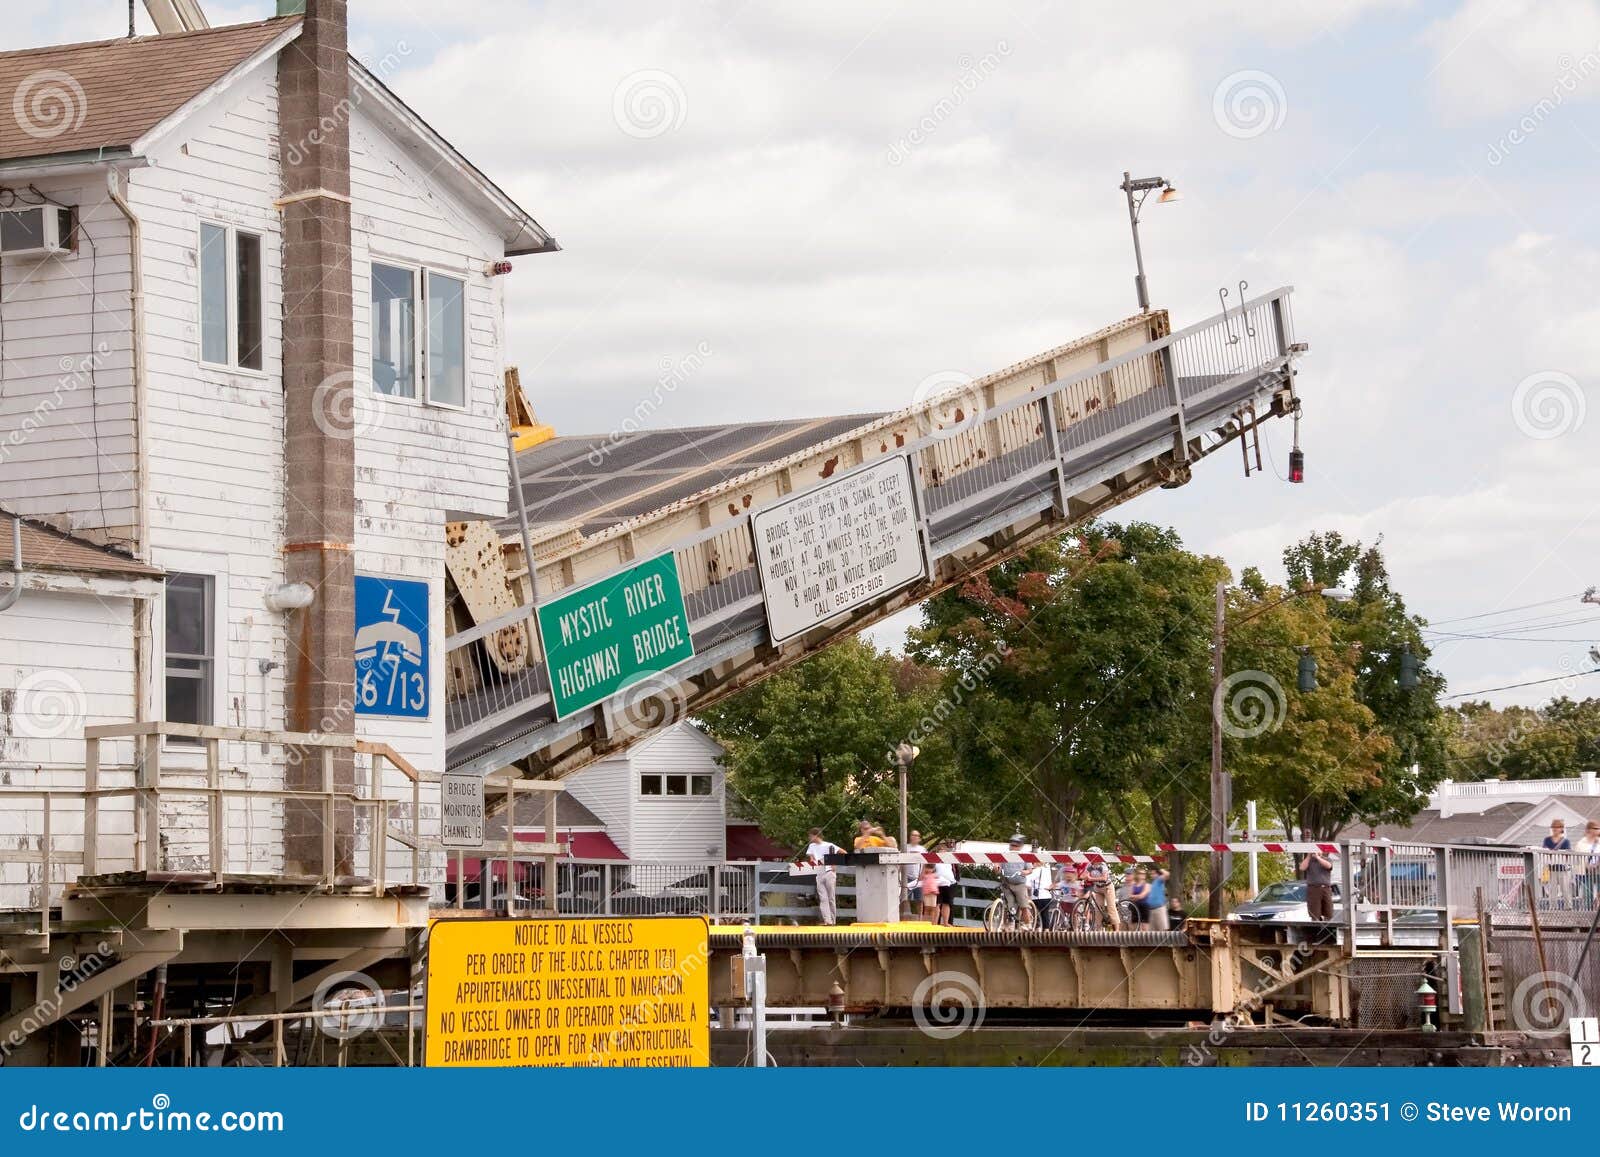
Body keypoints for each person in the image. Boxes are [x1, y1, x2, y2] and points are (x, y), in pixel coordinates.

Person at [804, 827, 844, 926]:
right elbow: (811, 858)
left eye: (810, 836)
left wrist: (835, 863)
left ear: (815, 835)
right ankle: (827, 921)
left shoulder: (829, 845)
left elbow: (843, 852)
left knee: (831, 897)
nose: (810, 838)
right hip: (819, 873)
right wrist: (812, 863)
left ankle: (833, 920)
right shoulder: (812, 846)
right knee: (823, 898)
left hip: (829, 872)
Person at [998, 833, 1036, 928]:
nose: (1013, 847)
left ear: (1020, 847)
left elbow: (1030, 869)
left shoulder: (1024, 856)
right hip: (1007, 883)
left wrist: (1024, 872)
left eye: (1015, 845)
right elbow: (997, 864)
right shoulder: (1004, 855)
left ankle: (1028, 925)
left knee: (1023, 905)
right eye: (1012, 845)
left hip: (1019, 884)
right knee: (1008, 906)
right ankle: (1006, 925)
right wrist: (996, 867)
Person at [1082, 850, 1122, 931]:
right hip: (1098, 888)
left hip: (1107, 887)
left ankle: (1117, 931)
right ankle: (1098, 930)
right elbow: (1084, 875)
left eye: (1093, 856)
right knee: (1098, 909)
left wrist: (1090, 878)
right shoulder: (1090, 865)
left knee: (1111, 908)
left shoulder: (1102, 865)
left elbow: (1104, 878)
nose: (1092, 858)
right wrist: (1082, 877)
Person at [1542, 819, 1573, 909]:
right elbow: (1544, 851)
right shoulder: (1547, 840)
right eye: (1553, 826)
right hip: (1552, 869)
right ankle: (1553, 908)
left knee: (1566, 890)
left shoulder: (1566, 841)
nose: (1555, 828)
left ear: (1561, 828)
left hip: (1563, 869)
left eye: (1557, 827)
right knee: (1552, 891)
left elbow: (1567, 854)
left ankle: (1568, 908)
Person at [1299, 847, 1334, 922]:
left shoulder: (1327, 859)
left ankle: (1328, 927)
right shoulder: (1309, 861)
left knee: (1328, 912)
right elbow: (1302, 868)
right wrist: (1308, 856)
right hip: (1313, 889)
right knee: (1315, 914)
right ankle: (1316, 928)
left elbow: (1328, 866)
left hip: (1325, 888)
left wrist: (1318, 857)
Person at [1576, 820, 1600, 909]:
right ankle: (1588, 910)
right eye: (1596, 828)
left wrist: (1597, 864)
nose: (1599, 830)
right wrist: (1587, 866)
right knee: (1588, 893)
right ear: (1589, 830)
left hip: (1598, 870)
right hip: (1586, 872)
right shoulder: (1581, 843)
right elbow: (1578, 857)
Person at [903, 829, 927, 917]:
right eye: (912, 835)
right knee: (905, 898)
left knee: (919, 899)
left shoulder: (922, 849)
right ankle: (907, 915)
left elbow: (925, 863)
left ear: (919, 838)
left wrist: (922, 874)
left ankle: (920, 917)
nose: (914, 837)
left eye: (916, 835)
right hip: (907, 876)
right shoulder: (905, 847)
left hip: (918, 877)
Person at [934, 849, 957, 926]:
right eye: (941, 851)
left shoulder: (949, 859)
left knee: (946, 903)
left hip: (949, 883)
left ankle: (945, 922)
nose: (943, 852)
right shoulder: (935, 860)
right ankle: (935, 922)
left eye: (944, 851)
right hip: (939, 883)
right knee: (937, 904)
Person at [1145, 866, 1172, 931]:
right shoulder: (1153, 883)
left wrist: (1160, 869)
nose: (1152, 875)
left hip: (1159, 909)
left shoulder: (1159, 880)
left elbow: (1167, 874)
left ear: (1158, 874)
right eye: (1151, 874)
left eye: (1154, 873)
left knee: (1162, 932)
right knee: (1153, 933)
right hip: (1151, 910)